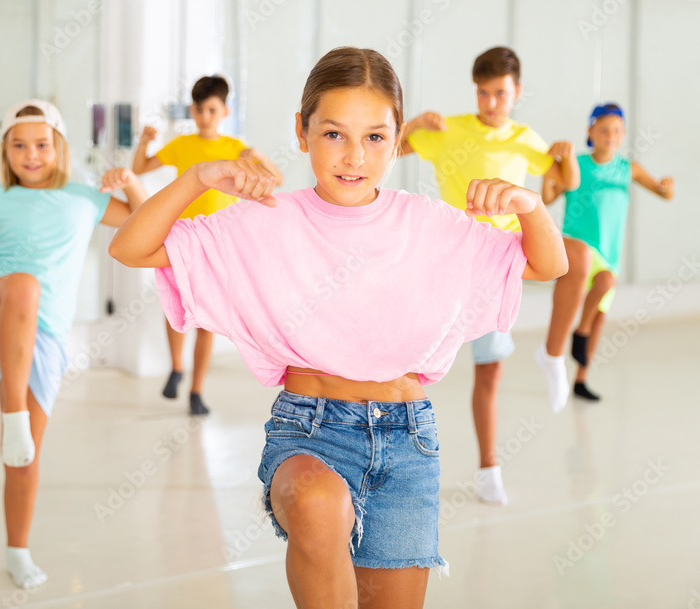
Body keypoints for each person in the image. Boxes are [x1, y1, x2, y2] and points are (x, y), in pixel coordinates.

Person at [110, 47, 567, 609]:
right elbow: (132, 246)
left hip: (408, 441)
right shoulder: (265, 219)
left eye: (375, 137)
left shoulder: (429, 224)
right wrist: (198, 176)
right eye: (333, 134)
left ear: (399, 140)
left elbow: (549, 265)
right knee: (318, 502)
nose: (354, 156)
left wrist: (527, 205)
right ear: (301, 133)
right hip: (311, 432)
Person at [0, 99, 146, 589]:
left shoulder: (85, 197)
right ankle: (12, 415)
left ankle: (17, 549)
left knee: (23, 457)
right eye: (19, 145)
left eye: (41, 144)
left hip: (45, 337)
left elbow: (146, 226)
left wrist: (132, 184)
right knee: (23, 283)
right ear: (6, 151)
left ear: (58, 147)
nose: (30, 154)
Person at [399, 46, 580, 505]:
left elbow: (562, 185)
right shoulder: (448, 129)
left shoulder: (526, 138)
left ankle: (488, 467)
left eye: (500, 93)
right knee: (407, 366)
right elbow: (386, 149)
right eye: (483, 93)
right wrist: (414, 125)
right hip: (444, 261)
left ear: (516, 91)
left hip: (495, 270)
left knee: (490, 373)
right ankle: (398, 462)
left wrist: (564, 156)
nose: (491, 103)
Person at [133, 74, 283, 415]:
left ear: (224, 111)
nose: (205, 116)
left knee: (207, 319)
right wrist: (144, 141)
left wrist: (257, 155)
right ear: (192, 109)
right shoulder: (182, 145)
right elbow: (139, 167)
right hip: (179, 237)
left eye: (212, 110)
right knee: (176, 307)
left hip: (217, 243)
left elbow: (276, 178)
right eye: (200, 110)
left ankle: (196, 391)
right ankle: (176, 367)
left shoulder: (234, 149)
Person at [537, 103, 674, 405]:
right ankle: (577, 334)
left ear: (622, 133)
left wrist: (666, 187)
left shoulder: (629, 169)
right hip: (580, 249)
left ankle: (581, 378)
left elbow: (662, 193)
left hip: (610, 254)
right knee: (605, 284)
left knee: (599, 316)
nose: (610, 135)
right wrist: (551, 166)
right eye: (603, 129)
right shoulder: (579, 165)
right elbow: (547, 197)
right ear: (590, 132)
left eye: (615, 130)